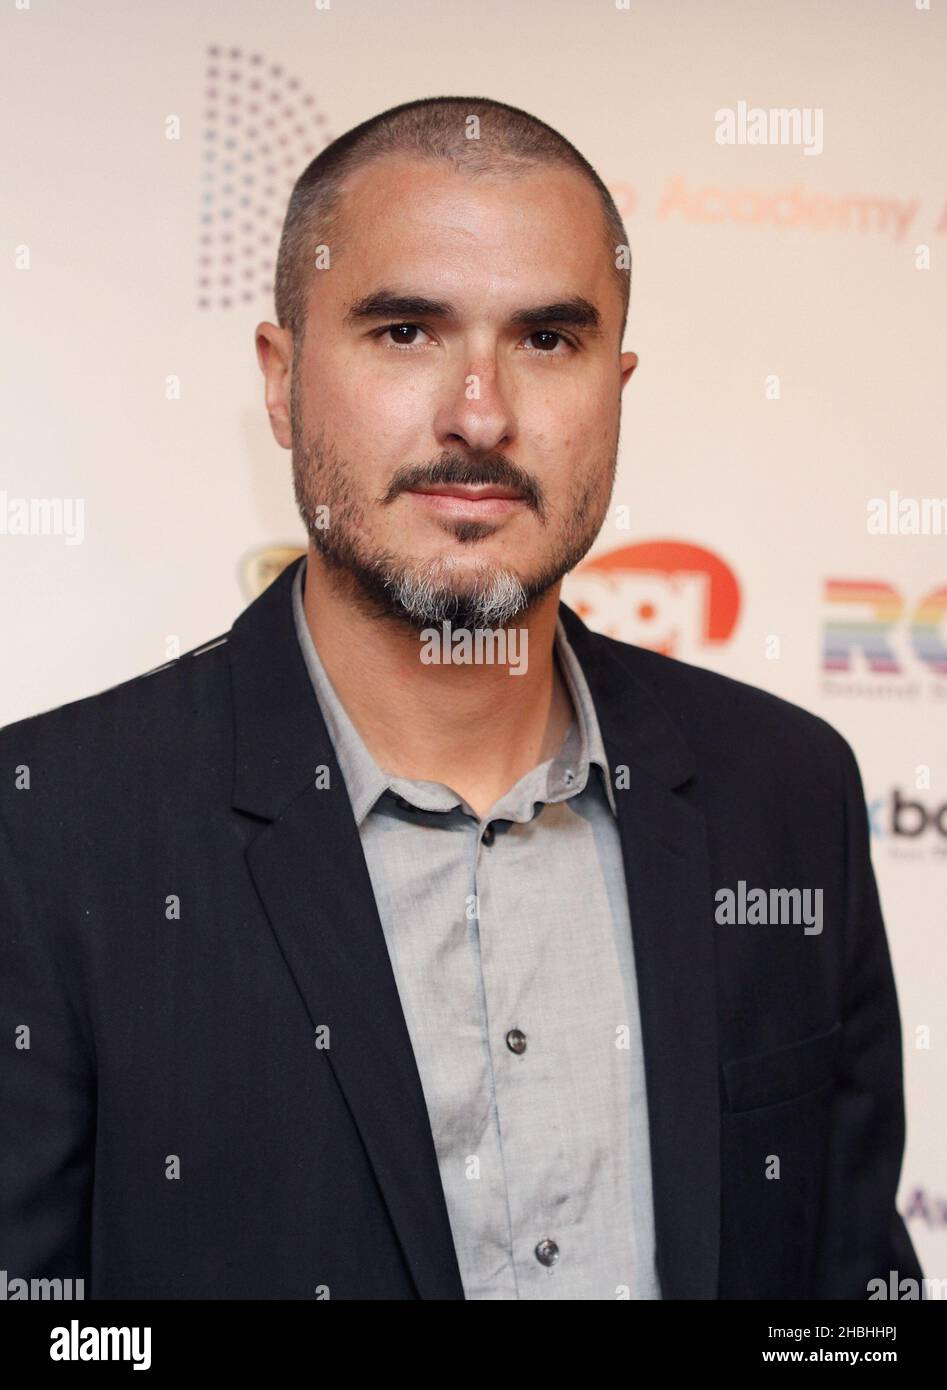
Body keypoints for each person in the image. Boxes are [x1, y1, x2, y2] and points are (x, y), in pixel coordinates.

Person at [0, 96, 923, 1300]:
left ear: (617, 387)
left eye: (547, 340)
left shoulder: (781, 790)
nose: (478, 415)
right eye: (403, 331)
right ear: (280, 383)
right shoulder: (50, 834)